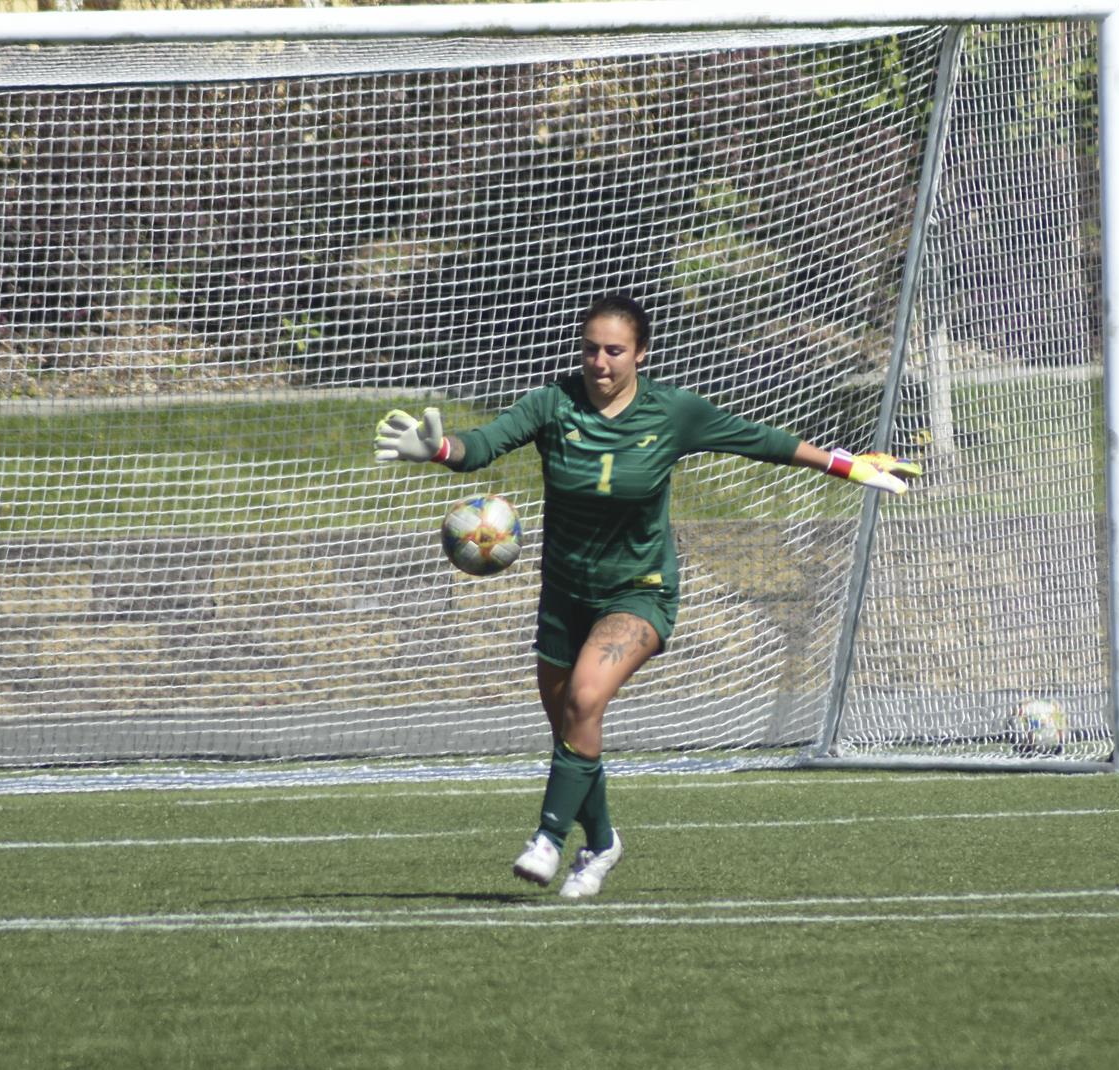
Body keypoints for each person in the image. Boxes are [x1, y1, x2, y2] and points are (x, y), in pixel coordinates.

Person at [373, 293, 918, 899]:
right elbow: (486, 444)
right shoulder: (555, 404)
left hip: (639, 593)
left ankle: (548, 838)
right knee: (573, 730)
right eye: (590, 350)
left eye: (614, 351)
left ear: (640, 353)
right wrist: (441, 450)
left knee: (585, 697)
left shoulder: (672, 412)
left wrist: (848, 466)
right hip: (564, 596)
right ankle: (602, 843)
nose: (599, 362)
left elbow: (760, 440)